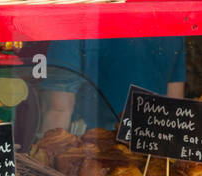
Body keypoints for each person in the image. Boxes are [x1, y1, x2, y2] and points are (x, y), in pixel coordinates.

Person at [38, 37, 186, 134]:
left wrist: (45, 172)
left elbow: (58, 109)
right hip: (149, 149)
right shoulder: (171, 27)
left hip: (92, 153)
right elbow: (174, 105)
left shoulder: (77, 22)